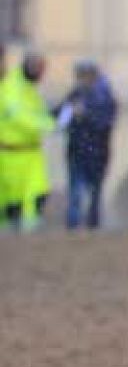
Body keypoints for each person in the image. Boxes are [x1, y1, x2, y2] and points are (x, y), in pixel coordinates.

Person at [0, 47, 55, 232]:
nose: (42, 74)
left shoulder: (29, 88)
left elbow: (39, 113)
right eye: (39, 69)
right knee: (12, 202)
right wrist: (50, 125)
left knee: (38, 194)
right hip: (11, 153)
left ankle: (29, 234)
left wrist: (54, 118)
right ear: (28, 66)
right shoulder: (11, 87)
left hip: (31, 151)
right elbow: (20, 116)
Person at [58, 58, 116, 230]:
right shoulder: (75, 95)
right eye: (80, 75)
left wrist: (85, 115)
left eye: (85, 75)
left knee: (94, 193)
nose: (82, 79)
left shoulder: (104, 98)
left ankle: (92, 226)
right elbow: (62, 117)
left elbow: (105, 123)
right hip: (77, 151)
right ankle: (73, 226)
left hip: (97, 153)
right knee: (76, 192)